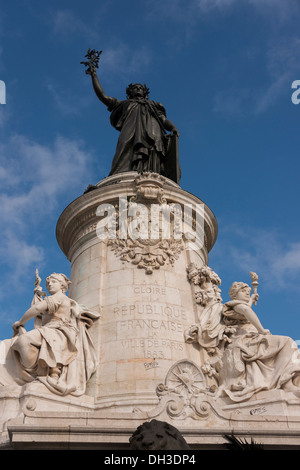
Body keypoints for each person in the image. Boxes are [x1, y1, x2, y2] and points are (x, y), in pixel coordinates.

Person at [1, 273, 100, 396]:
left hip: (59, 333)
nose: (49, 285)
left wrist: (21, 322)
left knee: (24, 341)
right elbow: (39, 312)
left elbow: (37, 309)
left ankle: (36, 374)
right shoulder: (53, 299)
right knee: (5, 346)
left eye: (54, 282)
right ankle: (36, 374)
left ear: (63, 286)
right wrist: (38, 295)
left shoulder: (60, 298)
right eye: (48, 283)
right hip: (48, 331)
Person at [88, 67, 180, 182]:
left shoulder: (153, 105)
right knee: (124, 146)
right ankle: (119, 178)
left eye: (140, 88)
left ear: (145, 93)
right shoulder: (124, 104)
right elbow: (103, 96)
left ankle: (151, 177)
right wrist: (94, 75)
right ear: (129, 93)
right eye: (135, 88)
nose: (138, 89)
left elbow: (163, 119)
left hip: (153, 131)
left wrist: (173, 127)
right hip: (131, 129)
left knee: (154, 151)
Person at [218, 281, 300, 401]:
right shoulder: (235, 305)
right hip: (245, 340)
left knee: (288, 345)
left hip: (251, 338)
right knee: (287, 342)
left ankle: (287, 382)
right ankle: (286, 383)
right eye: (243, 291)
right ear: (234, 295)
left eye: (248, 292)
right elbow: (246, 311)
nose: (247, 293)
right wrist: (261, 330)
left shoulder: (238, 306)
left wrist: (251, 300)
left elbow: (246, 310)